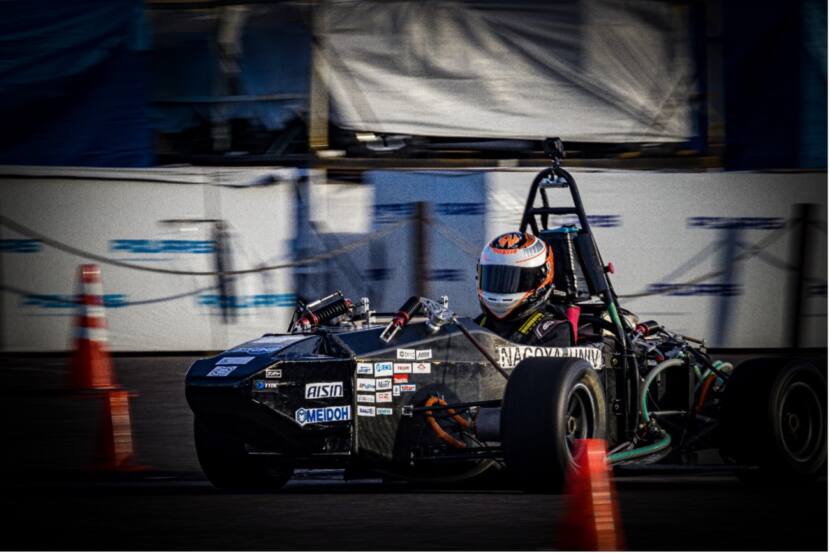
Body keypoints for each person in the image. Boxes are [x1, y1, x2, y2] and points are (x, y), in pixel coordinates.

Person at [474, 231, 573, 346]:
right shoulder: (476, 326)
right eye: (494, 278)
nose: (502, 287)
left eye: (512, 279)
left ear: (541, 278)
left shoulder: (553, 331)